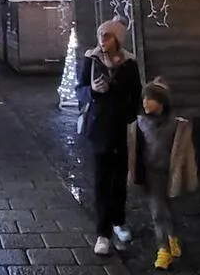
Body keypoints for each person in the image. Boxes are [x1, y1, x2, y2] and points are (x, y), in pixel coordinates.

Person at [76, 17, 142, 257]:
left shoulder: (129, 63)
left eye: (107, 36)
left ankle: (118, 222)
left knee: (119, 179)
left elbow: (136, 96)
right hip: (99, 127)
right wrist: (92, 91)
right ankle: (102, 232)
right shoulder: (91, 59)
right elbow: (79, 89)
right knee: (102, 180)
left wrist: (122, 105)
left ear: (117, 39)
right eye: (100, 35)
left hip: (121, 128)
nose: (102, 41)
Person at [130, 78, 198, 271]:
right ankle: (163, 250)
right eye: (144, 99)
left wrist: (186, 174)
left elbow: (185, 153)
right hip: (150, 175)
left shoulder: (176, 125)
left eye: (150, 99)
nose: (145, 103)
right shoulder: (140, 123)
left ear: (161, 102)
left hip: (169, 174)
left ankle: (173, 237)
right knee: (157, 213)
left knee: (171, 209)